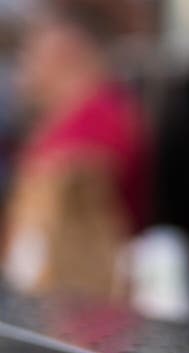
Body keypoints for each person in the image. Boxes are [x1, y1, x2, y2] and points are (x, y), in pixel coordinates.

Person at [3, 0, 151, 298]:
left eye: (31, 53)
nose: (24, 68)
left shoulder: (98, 118)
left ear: (64, 52)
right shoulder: (69, 116)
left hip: (81, 306)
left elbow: (63, 215)